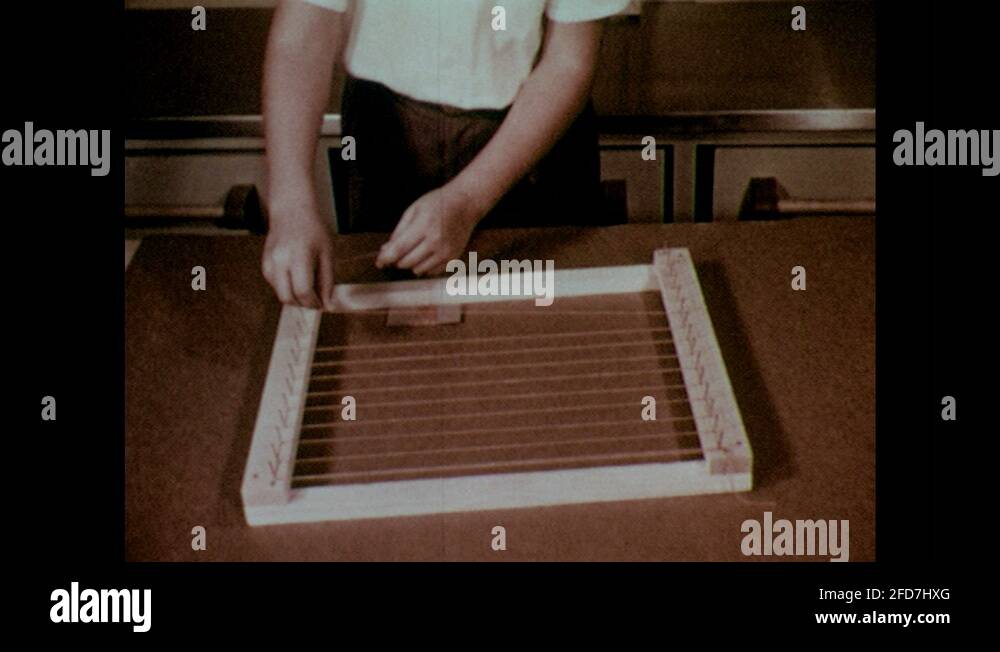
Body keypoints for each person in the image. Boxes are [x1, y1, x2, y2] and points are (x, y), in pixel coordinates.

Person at [261, 0, 629, 308]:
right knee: (397, 352)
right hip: (389, 134)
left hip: (532, 139)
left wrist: (467, 200)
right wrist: (290, 205)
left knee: (540, 329)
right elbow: (302, 38)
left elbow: (569, 61)